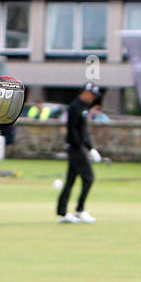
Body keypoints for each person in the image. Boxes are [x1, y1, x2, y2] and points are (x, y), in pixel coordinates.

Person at [57, 82, 103, 224]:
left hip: (79, 148)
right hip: (75, 149)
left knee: (71, 180)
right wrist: (83, 148)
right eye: (91, 95)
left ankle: (63, 212)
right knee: (88, 177)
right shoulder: (75, 107)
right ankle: (80, 209)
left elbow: (84, 131)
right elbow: (73, 131)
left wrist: (91, 148)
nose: (93, 98)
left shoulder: (83, 107)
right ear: (85, 93)